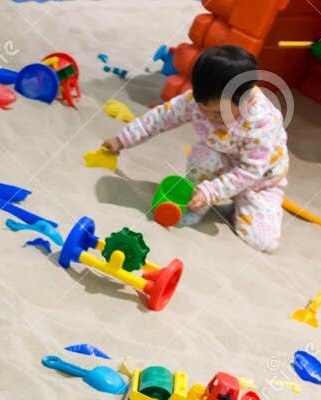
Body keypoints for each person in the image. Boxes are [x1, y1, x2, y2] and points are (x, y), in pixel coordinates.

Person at [102, 46, 289, 252]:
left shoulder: (261, 121)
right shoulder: (198, 101)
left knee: (262, 242)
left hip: (259, 182)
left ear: (246, 100)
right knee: (205, 156)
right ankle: (195, 203)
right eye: (204, 109)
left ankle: (237, 204)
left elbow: (250, 171)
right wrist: (123, 139)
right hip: (218, 162)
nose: (211, 118)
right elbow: (161, 117)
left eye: (218, 113)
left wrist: (211, 191)